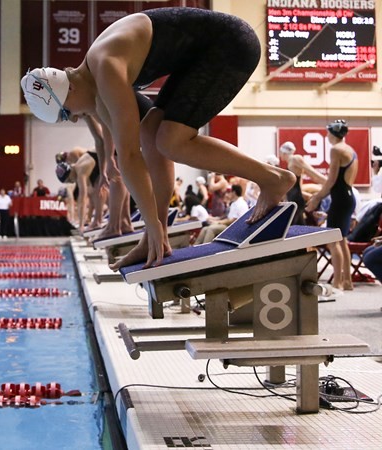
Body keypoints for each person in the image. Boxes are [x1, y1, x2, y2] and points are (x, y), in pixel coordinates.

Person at [21, 7, 295, 269]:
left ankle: (272, 178)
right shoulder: (96, 80)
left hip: (231, 44)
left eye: (65, 113)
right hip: (202, 55)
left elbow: (130, 155)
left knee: (171, 140)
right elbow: (122, 145)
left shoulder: (105, 67)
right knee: (152, 131)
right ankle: (157, 234)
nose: (73, 119)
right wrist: (152, 226)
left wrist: (149, 221)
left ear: (68, 90)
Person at [306, 120, 358, 291]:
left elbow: (331, 181)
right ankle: (347, 281)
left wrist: (316, 198)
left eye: (328, 132)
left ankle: (337, 283)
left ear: (333, 133)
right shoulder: (350, 150)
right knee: (342, 241)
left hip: (340, 199)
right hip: (348, 197)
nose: (327, 135)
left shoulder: (336, 150)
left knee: (333, 240)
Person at [278, 141, 326, 226]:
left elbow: (313, 173)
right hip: (293, 200)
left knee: (294, 227)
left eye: (280, 152)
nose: (280, 155)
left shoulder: (295, 159)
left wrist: (329, 182)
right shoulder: (290, 163)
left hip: (296, 200)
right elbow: (298, 186)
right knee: (298, 226)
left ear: (283, 152)